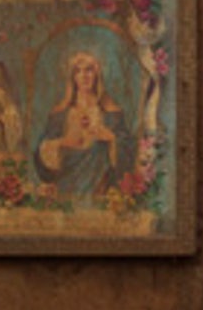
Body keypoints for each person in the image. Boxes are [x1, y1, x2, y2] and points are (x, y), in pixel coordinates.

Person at [34, 51, 133, 200]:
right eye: (78, 71)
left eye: (89, 70)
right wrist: (62, 142)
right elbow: (40, 156)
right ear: (73, 77)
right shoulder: (59, 115)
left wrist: (111, 139)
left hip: (100, 187)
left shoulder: (111, 113)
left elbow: (128, 153)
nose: (84, 76)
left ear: (97, 75)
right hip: (66, 186)